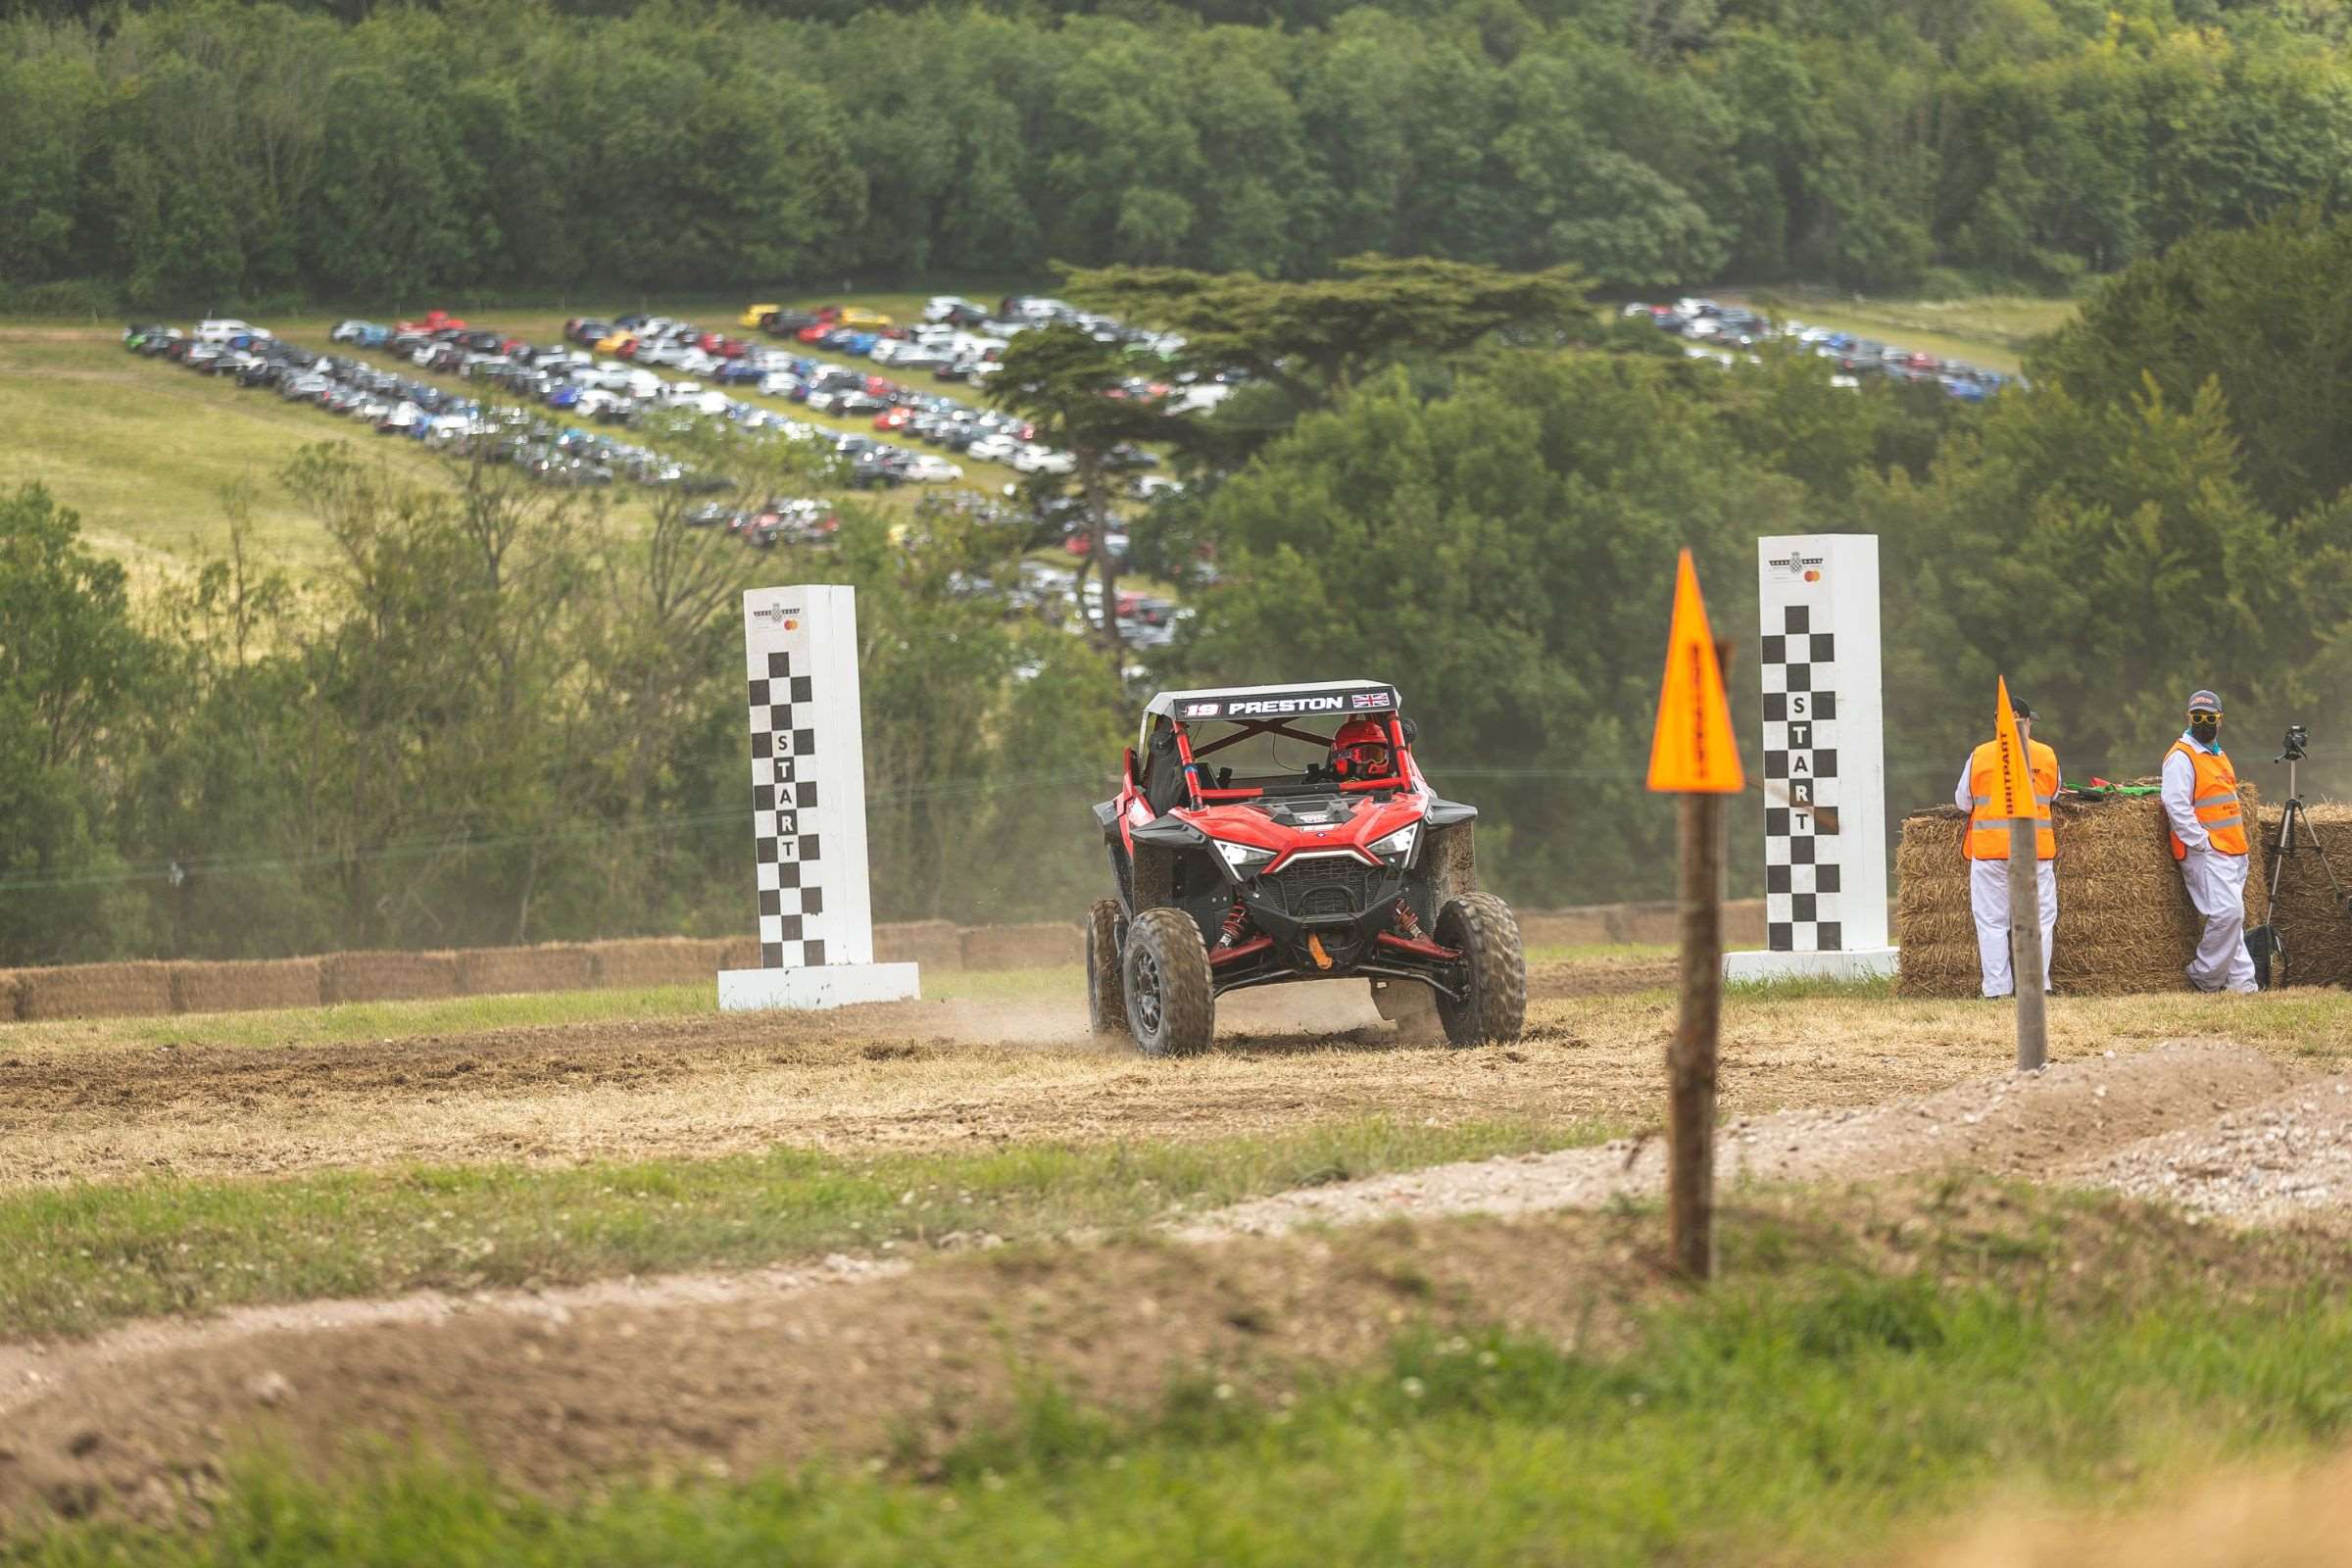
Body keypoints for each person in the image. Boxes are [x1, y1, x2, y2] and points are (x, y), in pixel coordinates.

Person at [1957, 697, 2058, 998]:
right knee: (2040, 919)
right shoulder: (2046, 755)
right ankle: (2038, 985)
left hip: (1990, 850)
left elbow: (1963, 801)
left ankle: (1997, 989)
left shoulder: (1980, 755)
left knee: (1992, 922)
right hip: (2034, 851)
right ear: (2025, 722)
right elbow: (2053, 795)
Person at [2162, 690, 2257, 993]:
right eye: (2197, 718)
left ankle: (2243, 984)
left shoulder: (2218, 753)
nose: (2204, 723)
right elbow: (2175, 804)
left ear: (2220, 720)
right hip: (2208, 851)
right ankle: (2205, 975)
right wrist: (2202, 842)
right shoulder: (2181, 756)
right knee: (2229, 914)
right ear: (2189, 719)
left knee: (2232, 922)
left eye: (2209, 718)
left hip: (2233, 849)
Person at [1326, 718, 1393, 780]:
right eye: (1363, 755)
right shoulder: (1321, 790)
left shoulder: (1395, 787)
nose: (1371, 762)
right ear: (1339, 756)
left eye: (1377, 756)